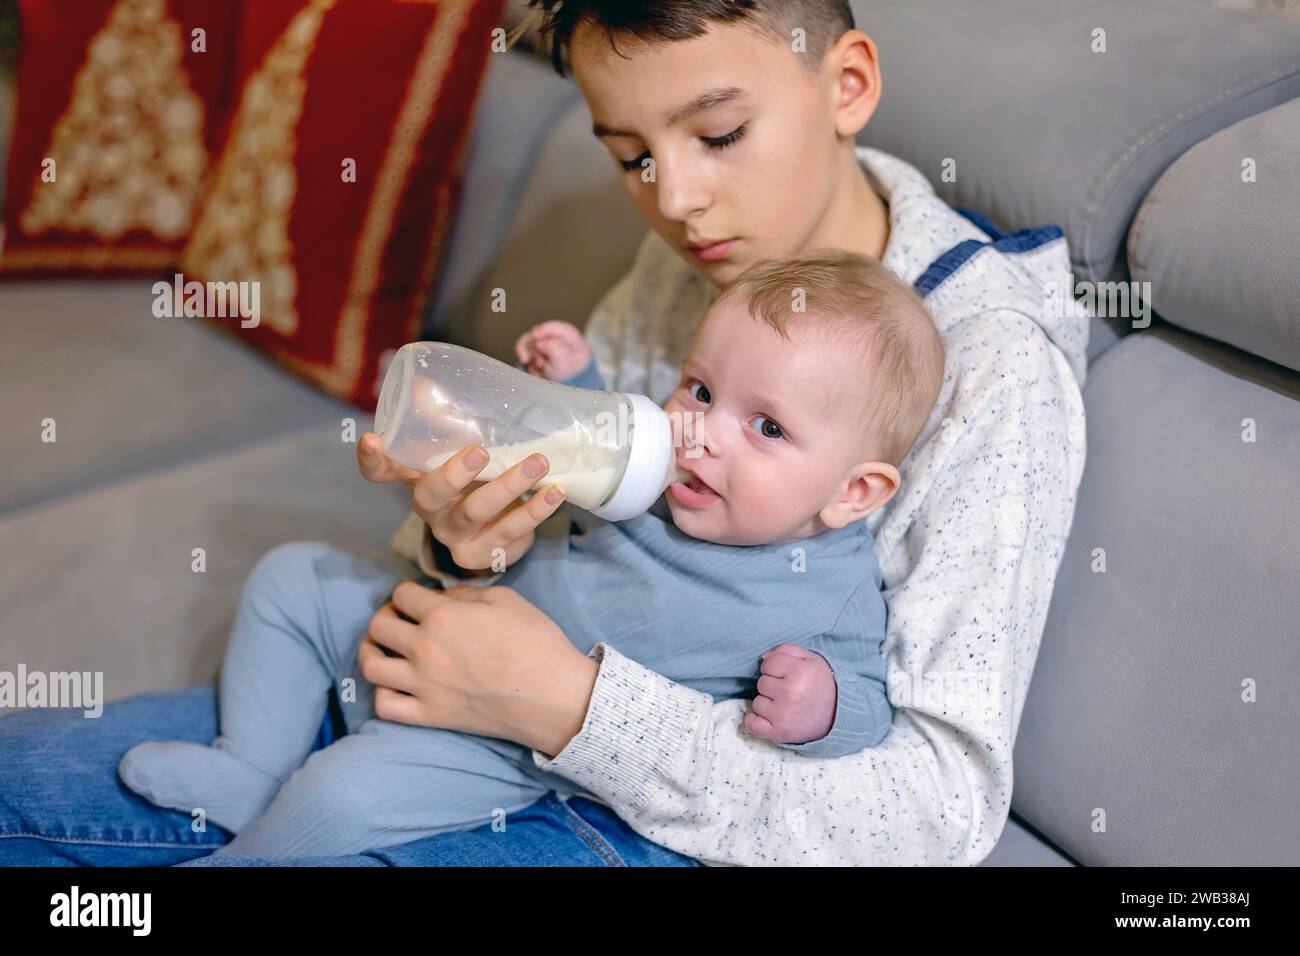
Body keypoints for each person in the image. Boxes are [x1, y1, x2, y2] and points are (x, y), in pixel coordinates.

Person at [0, 0, 1086, 867]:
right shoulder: (694, 262)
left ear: (844, 84)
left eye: (717, 134)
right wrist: (465, 539)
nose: (678, 201)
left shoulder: (990, 363)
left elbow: (934, 814)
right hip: (473, 675)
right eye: (630, 154)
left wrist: (570, 705)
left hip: (654, 805)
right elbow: (575, 520)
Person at [113, 252, 943, 860]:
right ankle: (250, 767)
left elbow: (872, 713)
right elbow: (583, 454)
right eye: (699, 389)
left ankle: (252, 851)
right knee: (292, 577)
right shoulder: (665, 476)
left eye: (766, 427)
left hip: (499, 741)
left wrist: (824, 709)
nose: (700, 434)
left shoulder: (826, 597)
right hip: (432, 616)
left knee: (343, 794)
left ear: (855, 494)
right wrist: (578, 381)